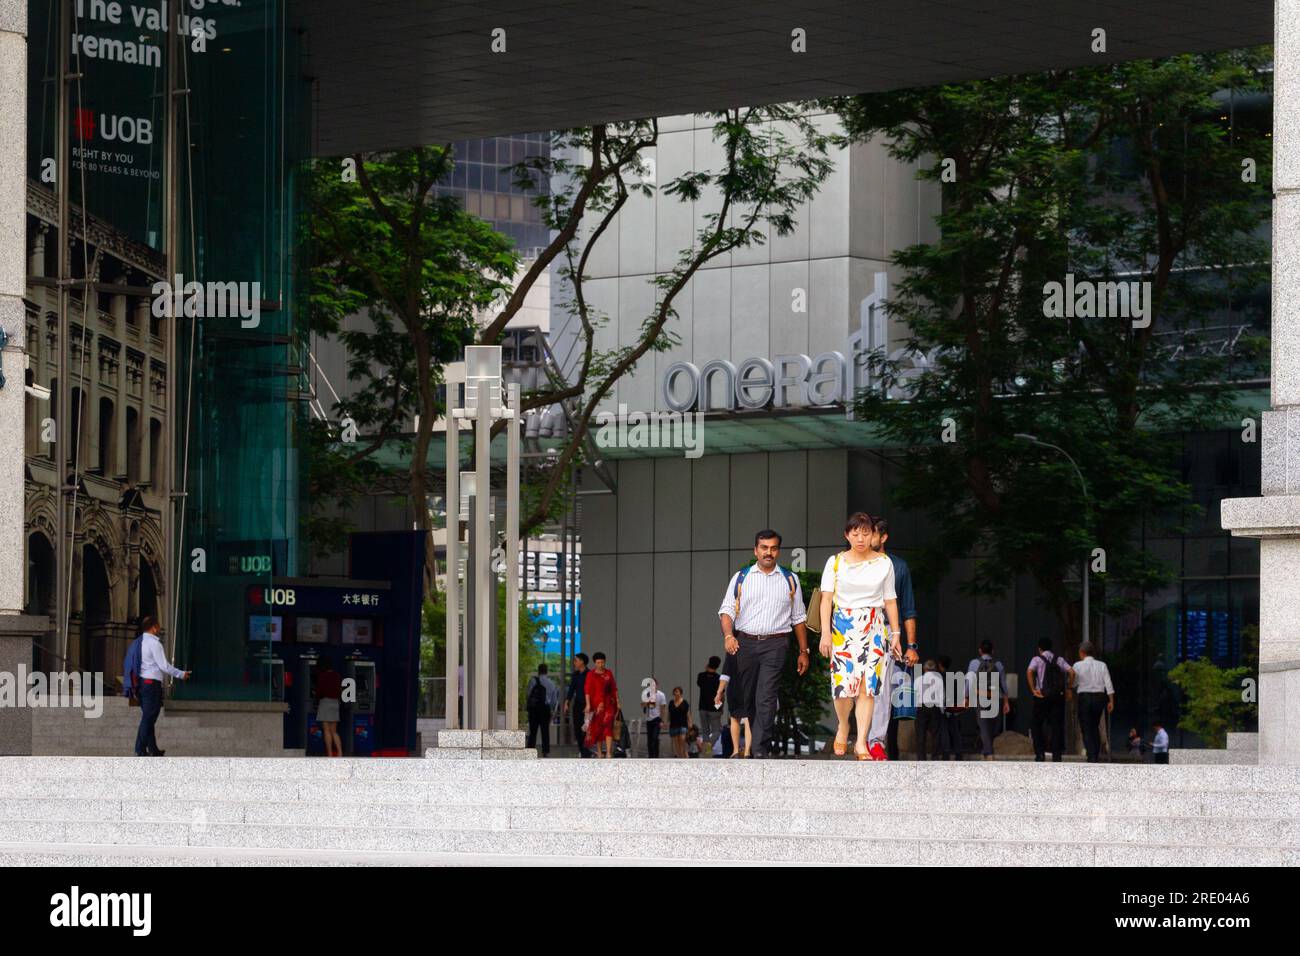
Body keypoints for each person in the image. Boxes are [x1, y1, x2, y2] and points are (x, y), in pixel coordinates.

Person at [718, 529, 810, 758]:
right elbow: (727, 610)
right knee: (747, 697)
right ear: (755, 550)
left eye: (773, 548)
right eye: (764, 548)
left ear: (778, 551)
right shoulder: (741, 577)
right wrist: (729, 636)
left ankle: (759, 751)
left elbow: (798, 617)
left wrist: (803, 651)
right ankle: (752, 746)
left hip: (776, 645)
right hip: (745, 644)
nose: (768, 552)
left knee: (766, 698)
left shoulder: (790, 579)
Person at [818, 513, 902, 760]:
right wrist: (825, 633)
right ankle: (844, 724)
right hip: (843, 627)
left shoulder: (883, 562)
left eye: (865, 533)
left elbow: (890, 600)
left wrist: (895, 633)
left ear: (873, 535)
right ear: (847, 535)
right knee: (844, 689)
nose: (860, 538)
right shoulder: (835, 562)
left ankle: (862, 742)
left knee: (867, 688)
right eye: (855, 533)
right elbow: (825, 600)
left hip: (875, 627)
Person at [865, 519, 919, 761]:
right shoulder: (851, 562)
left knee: (882, 689)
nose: (864, 539)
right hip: (855, 629)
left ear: (883, 537)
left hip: (888, 631)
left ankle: (875, 741)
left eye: (870, 534)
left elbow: (908, 608)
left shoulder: (898, 567)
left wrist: (911, 645)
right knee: (853, 686)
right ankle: (854, 736)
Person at [133, 615, 190, 757]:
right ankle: (139, 748)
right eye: (158, 626)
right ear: (153, 627)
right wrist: (181, 674)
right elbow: (164, 666)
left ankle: (153, 748)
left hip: (142, 683)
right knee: (149, 717)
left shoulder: (138, 643)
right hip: (151, 685)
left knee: (148, 716)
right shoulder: (154, 644)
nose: (159, 628)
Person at [1027, 637, 1075, 762]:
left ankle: (1040, 753)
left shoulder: (1036, 659)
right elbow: (1072, 672)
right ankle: (1057, 755)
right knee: (1056, 726)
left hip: (1041, 696)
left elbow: (1029, 671)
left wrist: (1033, 689)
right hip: (1057, 697)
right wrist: (1069, 688)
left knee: (1036, 724)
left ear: (1039, 648)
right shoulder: (1059, 659)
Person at [966, 639, 1010, 761]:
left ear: (980, 650)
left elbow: (969, 681)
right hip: (995, 697)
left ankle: (988, 752)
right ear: (992, 651)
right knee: (992, 726)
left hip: (979, 696)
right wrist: (1006, 701)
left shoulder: (974, 663)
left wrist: (966, 697)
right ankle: (987, 750)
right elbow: (1003, 684)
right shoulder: (998, 664)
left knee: (983, 725)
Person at [1072, 642, 1115, 763]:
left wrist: (1070, 686)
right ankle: (1095, 754)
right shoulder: (1102, 665)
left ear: (1082, 653)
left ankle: (1091, 755)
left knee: (1086, 727)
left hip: (1084, 697)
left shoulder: (1077, 665)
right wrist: (1111, 701)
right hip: (1099, 698)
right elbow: (1108, 684)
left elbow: (1074, 683)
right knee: (1095, 726)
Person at [715, 652, 751, 757]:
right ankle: (747, 751)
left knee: (734, 719)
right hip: (749, 687)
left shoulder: (732, 652)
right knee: (748, 719)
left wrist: (719, 692)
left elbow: (725, 674)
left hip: (734, 688)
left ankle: (735, 751)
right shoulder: (753, 648)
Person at [583, 652, 620, 758]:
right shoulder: (591, 674)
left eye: (602, 662)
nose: (600, 665)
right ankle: (599, 752)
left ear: (605, 662)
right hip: (596, 706)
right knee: (598, 729)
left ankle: (608, 752)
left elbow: (614, 689)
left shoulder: (609, 673)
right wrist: (588, 704)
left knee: (608, 726)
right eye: (598, 662)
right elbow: (587, 691)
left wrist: (618, 702)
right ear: (595, 663)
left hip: (608, 704)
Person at [525, 663, 560, 757]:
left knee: (533, 731)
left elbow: (528, 694)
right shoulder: (551, 683)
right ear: (547, 671)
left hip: (534, 709)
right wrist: (552, 710)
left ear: (538, 671)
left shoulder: (533, 680)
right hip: (545, 709)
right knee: (545, 731)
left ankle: (530, 750)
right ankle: (545, 751)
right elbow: (554, 700)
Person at [913, 659, 943, 760]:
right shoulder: (939, 680)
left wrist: (916, 708)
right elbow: (941, 696)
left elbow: (915, 695)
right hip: (934, 707)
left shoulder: (918, 680)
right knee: (936, 734)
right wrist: (942, 710)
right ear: (935, 669)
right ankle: (935, 757)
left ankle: (921, 758)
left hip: (922, 707)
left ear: (924, 668)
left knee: (920, 734)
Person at [315, 658, 344, 758]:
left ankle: (330, 753)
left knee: (326, 730)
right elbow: (340, 690)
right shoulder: (337, 675)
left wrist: (316, 696)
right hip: (335, 703)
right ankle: (340, 752)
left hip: (325, 703)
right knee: (334, 731)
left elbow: (319, 692)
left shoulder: (322, 676)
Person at [564, 653, 591, 757]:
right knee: (577, 729)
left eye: (576, 660)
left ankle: (586, 752)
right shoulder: (575, 675)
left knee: (586, 729)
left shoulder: (590, 674)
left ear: (582, 661)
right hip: (578, 704)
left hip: (588, 705)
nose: (574, 662)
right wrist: (567, 701)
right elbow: (571, 689)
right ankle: (583, 751)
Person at [937, 655, 964, 760]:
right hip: (954, 707)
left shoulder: (939, 677)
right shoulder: (953, 677)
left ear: (940, 665)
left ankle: (946, 754)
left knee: (944, 731)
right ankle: (958, 753)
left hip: (944, 707)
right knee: (955, 731)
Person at [696, 656, 724, 754]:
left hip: (703, 707)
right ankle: (707, 749)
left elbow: (700, 684)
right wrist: (721, 708)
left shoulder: (701, 676)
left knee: (705, 731)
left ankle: (706, 752)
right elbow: (721, 695)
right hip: (714, 709)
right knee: (717, 731)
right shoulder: (719, 678)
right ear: (718, 666)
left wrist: (706, 670)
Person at [642, 679, 668, 758]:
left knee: (655, 737)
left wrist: (663, 721)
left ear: (657, 685)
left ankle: (656, 756)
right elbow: (643, 706)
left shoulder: (661, 695)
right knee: (649, 739)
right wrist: (647, 701)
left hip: (657, 718)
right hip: (648, 718)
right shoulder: (646, 694)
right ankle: (651, 756)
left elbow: (663, 708)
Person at [668, 687, 692, 758]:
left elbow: (688, 714)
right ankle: (680, 757)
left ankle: (685, 754)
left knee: (682, 740)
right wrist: (666, 722)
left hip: (683, 724)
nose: (676, 693)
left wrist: (690, 722)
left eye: (677, 691)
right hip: (673, 725)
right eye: (675, 692)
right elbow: (669, 713)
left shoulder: (684, 703)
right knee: (676, 743)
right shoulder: (671, 703)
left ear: (680, 693)